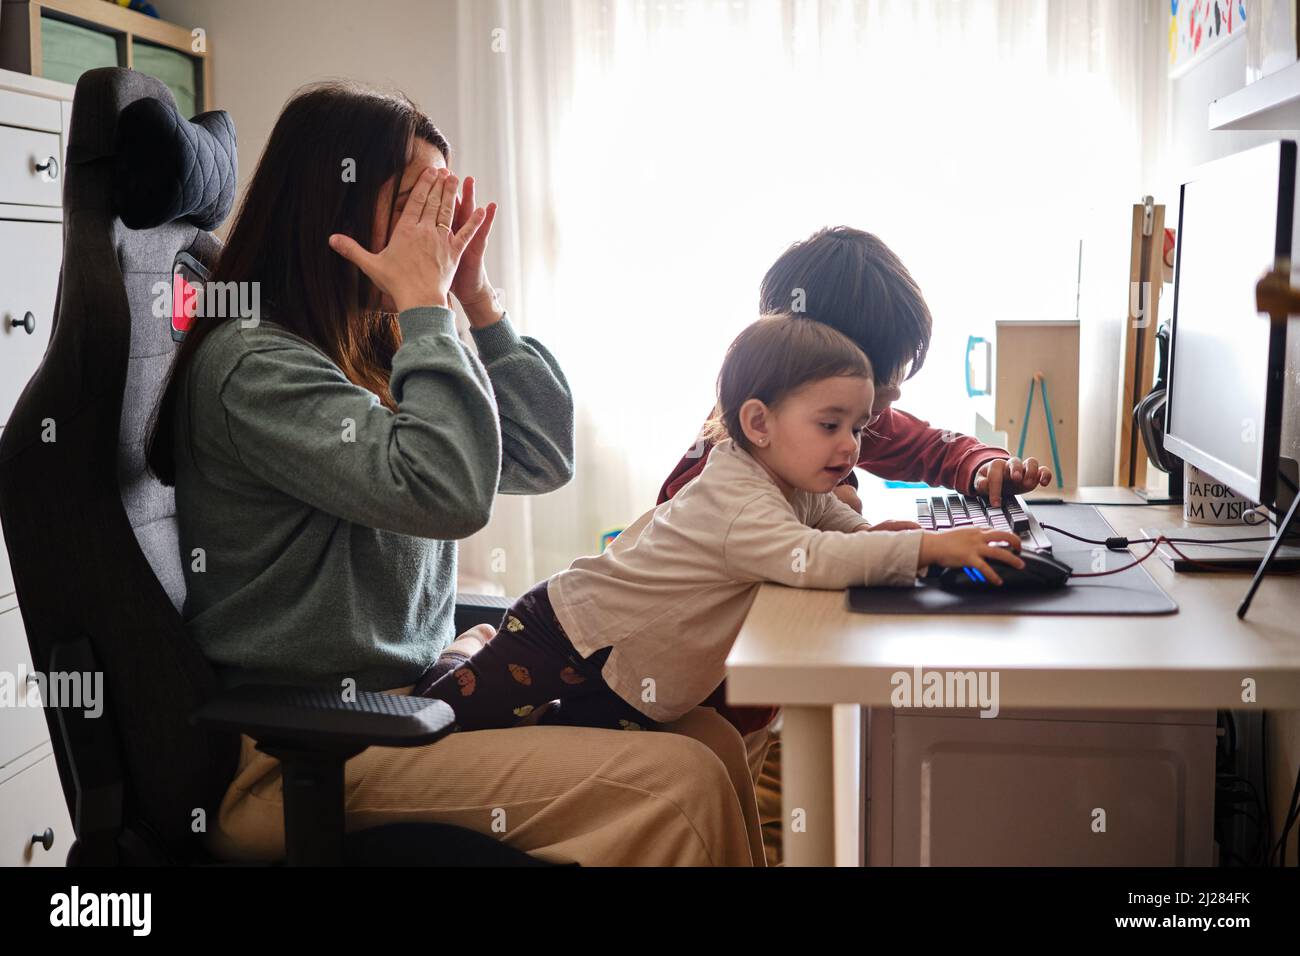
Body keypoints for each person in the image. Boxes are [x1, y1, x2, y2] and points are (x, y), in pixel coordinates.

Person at [145, 80, 764, 866]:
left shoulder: (371, 343)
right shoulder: (253, 366)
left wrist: (474, 302)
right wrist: (427, 309)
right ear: (328, 202)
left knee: (708, 739)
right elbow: (447, 489)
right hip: (304, 751)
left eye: (442, 203)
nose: (436, 229)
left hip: (412, 705)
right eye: (415, 203)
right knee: (675, 786)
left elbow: (539, 454)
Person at [656, 226, 1054, 864]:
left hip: (754, 703)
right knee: (727, 824)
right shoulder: (724, 467)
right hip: (700, 697)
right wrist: (817, 522)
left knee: (753, 800)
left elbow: (928, 444)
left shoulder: (810, 413)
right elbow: (704, 545)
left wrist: (984, 468)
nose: (881, 415)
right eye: (873, 397)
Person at [415, 315, 1024, 731]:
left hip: (626, 669)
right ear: (759, 423)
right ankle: (469, 648)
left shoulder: (789, 480)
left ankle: (479, 656)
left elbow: (833, 524)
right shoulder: (737, 497)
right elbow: (808, 557)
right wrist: (926, 550)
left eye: (858, 429)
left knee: (571, 732)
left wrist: (883, 539)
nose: (850, 447)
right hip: (572, 632)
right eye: (831, 426)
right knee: (444, 718)